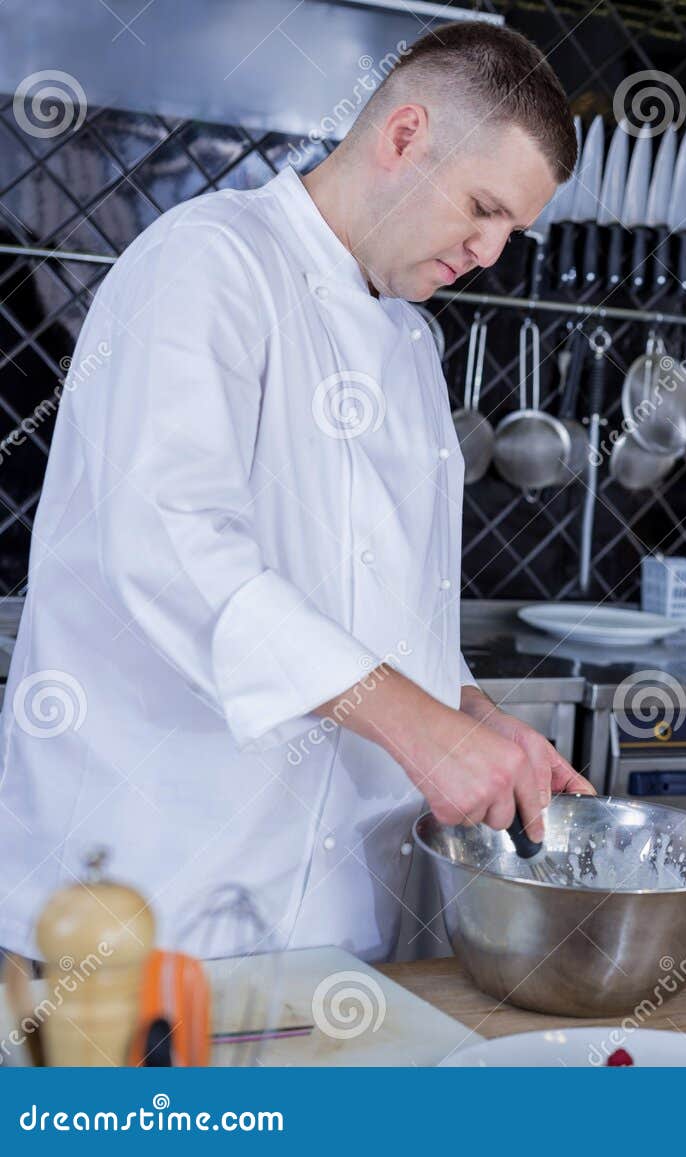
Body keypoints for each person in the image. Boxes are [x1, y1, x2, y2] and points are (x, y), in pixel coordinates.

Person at [0, 22, 594, 966]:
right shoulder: (206, 263)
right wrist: (420, 727)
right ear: (404, 136)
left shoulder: (410, 345)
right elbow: (177, 553)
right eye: (482, 209)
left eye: (510, 232)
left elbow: (394, 616)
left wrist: (470, 715)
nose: (489, 253)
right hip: (149, 904)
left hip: (334, 925)